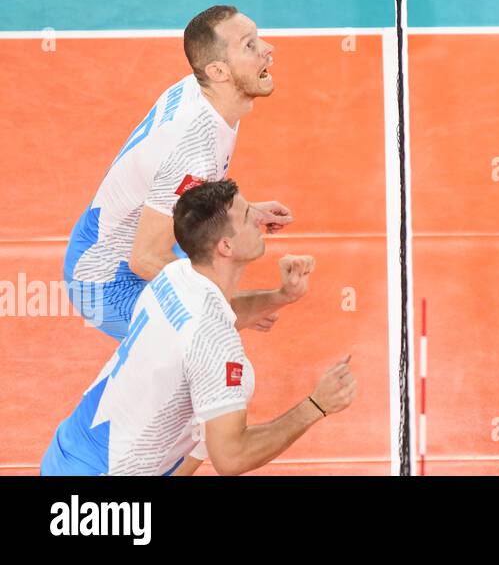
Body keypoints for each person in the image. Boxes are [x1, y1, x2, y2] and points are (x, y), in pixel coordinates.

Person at [41, 178, 354, 476]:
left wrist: (281, 296)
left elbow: (208, 319)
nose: (257, 221)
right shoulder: (213, 340)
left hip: (67, 451)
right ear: (226, 247)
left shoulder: (174, 276)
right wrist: (316, 406)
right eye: (248, 216)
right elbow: (231, 457)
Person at [65, 5, 294, 339]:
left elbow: (183, 189)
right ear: (218, 70)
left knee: (221, 294)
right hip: (107, 283)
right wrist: (224, 303)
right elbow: (144, 259)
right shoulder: (192, 148)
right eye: (249, 45)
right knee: (209, 333)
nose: (267, 49)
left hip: (130, 233)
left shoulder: (205, 91)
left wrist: (248, 211)